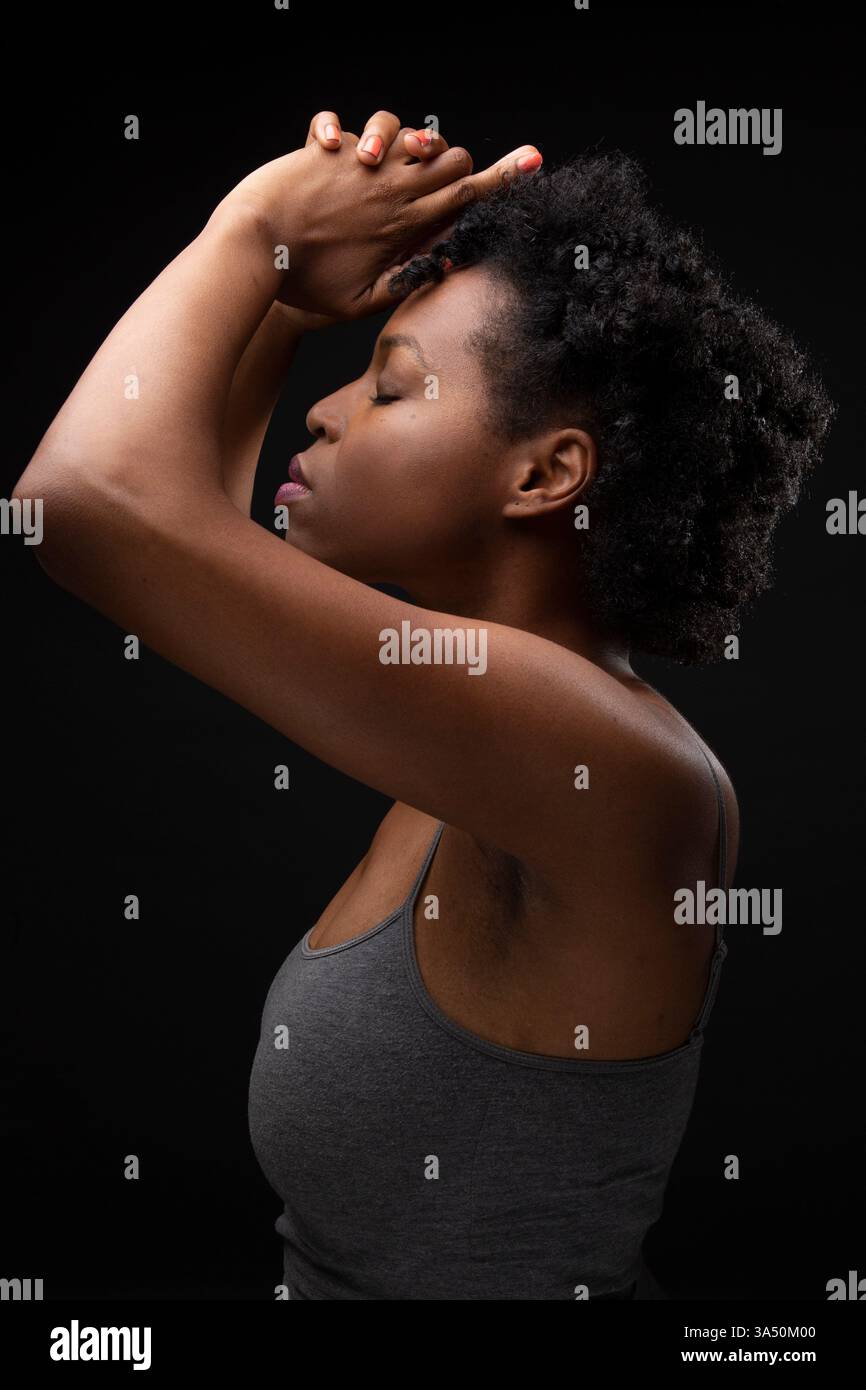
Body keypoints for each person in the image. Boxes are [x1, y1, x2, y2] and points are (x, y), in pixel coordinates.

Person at [13, 109, 835, 1300]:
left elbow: (88, 504)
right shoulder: (469, 734)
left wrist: (251, 227)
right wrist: (287, 295)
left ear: (547, 475)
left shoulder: (602, 765)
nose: (325, 407)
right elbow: (167, 510)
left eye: (390, 389)